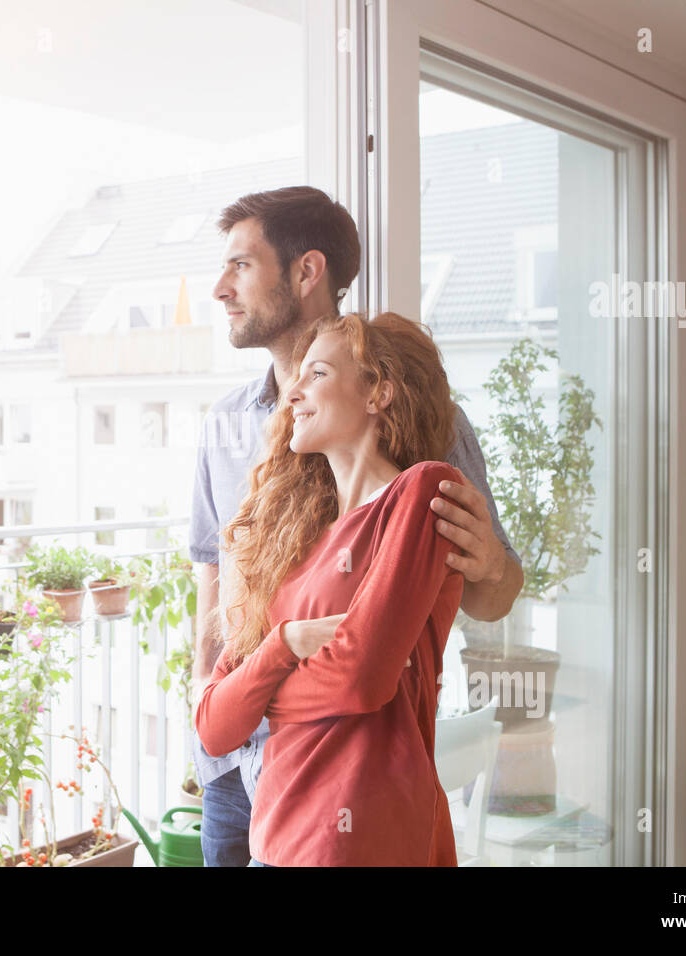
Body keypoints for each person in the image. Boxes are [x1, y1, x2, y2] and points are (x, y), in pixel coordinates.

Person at [190, 185, 523, 866]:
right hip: (237, 777)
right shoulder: (224, 425)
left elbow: (486, 592)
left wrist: (488, 563)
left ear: (307, 271)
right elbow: (213, 589)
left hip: (350, 781)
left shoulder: (430, 435)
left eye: (241, 266)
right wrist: (206, 724)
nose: (220, 288)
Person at [195, 310, 465, 865]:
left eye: (316, 374)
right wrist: (285, 644)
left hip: (359, 839)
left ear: (378, 393)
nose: (292, 392)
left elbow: (362, 678)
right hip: (274, 839)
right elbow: (216, 729)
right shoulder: (292, 542)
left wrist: (260, 699)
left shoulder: (419, 492)